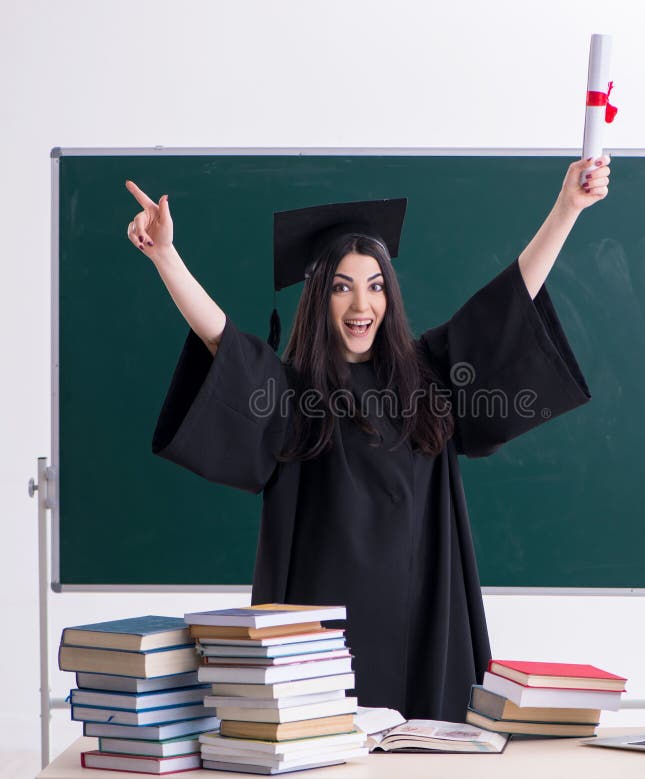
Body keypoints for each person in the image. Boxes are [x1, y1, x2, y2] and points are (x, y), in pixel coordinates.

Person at [124, 156, 611, 722]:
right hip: (322, 637)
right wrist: (166, 257)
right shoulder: (291, 392)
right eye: (342, 288)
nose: (362, 305)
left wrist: (566, 208)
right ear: (318, 298)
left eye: (376, 286)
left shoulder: (430, 374)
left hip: (426, 618)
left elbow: (507, 303)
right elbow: (221, 337)